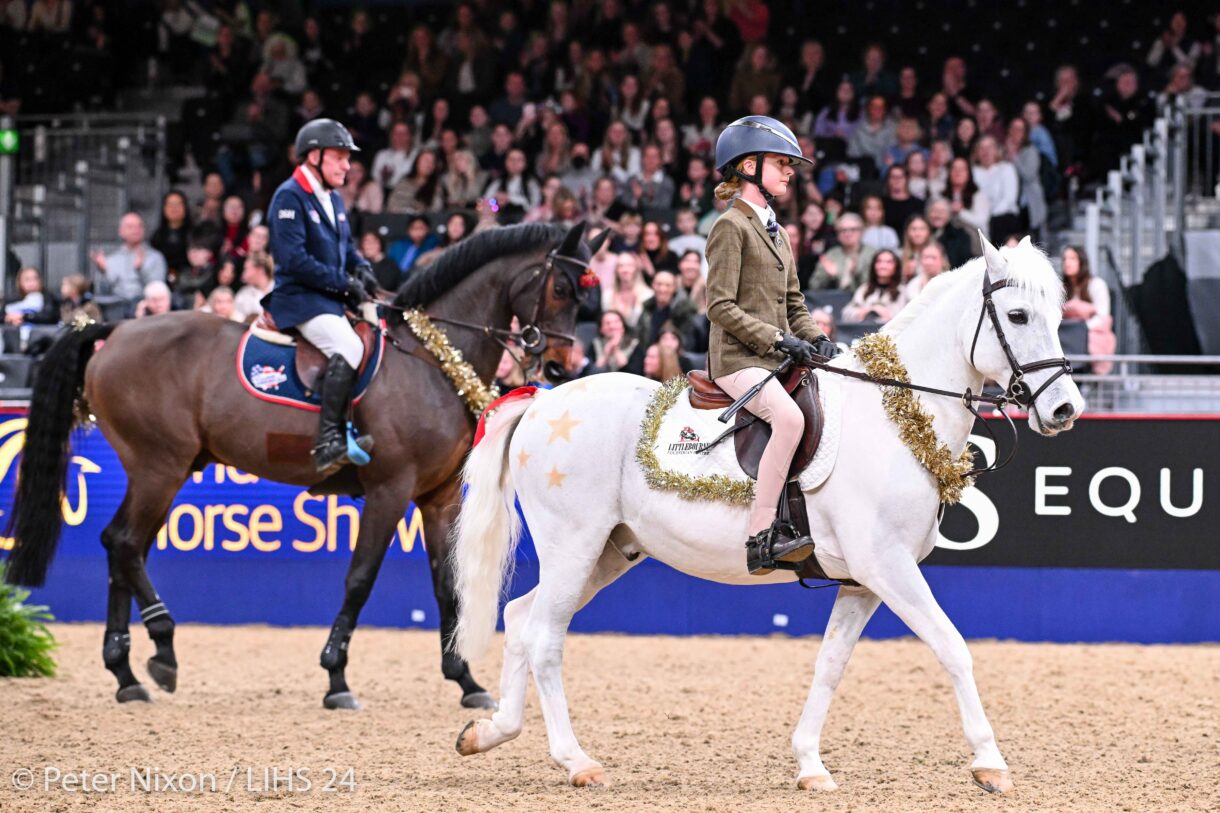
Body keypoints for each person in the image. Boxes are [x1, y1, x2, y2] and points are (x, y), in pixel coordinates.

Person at [707, 116, 838, 576]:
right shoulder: (730, 227)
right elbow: (719, 306)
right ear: (748, 166)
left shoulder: (778, 232)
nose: (789, 172)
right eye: (781, 163)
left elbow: (794, 303)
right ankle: (761, 535)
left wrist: (817, 337)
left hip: (775, 357)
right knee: (788, 417)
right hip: (738, 359)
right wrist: (778, 339)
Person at [265, 119, 377, 472]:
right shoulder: (289, 196)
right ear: (314, 156)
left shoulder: (333, 198)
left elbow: (348, 247)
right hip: (300, 299)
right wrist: (344, 284)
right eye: (340, 157)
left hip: (328, 297)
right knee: (349, 346)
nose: (348, 165)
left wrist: (362, 268)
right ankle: (328, 439)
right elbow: (293, 260)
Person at [92, 212, 168, 306]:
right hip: (116, 310)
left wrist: (140, 270)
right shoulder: (111, 260)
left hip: (145, 310)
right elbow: (102, 293)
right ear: (120, 231)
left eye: (139, 226)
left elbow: (158, 292)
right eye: (130, 226)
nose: (136, 230)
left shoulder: (156, 257)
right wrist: (103, 271)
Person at [1061, 246, 1115, 375]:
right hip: (1064, 339)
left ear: (1082, 261)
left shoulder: (1097, 284)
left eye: (1072, 258)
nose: (1067, 263)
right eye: (1065, 259)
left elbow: (1103, 316)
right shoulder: (1061, 288)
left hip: (1086, 339)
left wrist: (1079, 328)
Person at [809, 212, 874, 291]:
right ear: (838, 235)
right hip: (835, 301)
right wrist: (829, 277)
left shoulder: (872, 254)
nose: (847, 233)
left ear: (862, 232)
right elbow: (813, 286)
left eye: (853, 229)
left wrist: (856, 273)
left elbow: (874, 287)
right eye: (843, 230)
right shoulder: (831, 254)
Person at [844, 249, 906, 322]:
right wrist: (865, 311)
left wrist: (885, 313)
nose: (883, 266)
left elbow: (906, 317)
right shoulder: (864, 289)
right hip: (865, 330)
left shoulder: (902, 291)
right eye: (879, 262)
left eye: (889, 262)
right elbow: (846, 313)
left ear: (896, 267)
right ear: (874, 265)